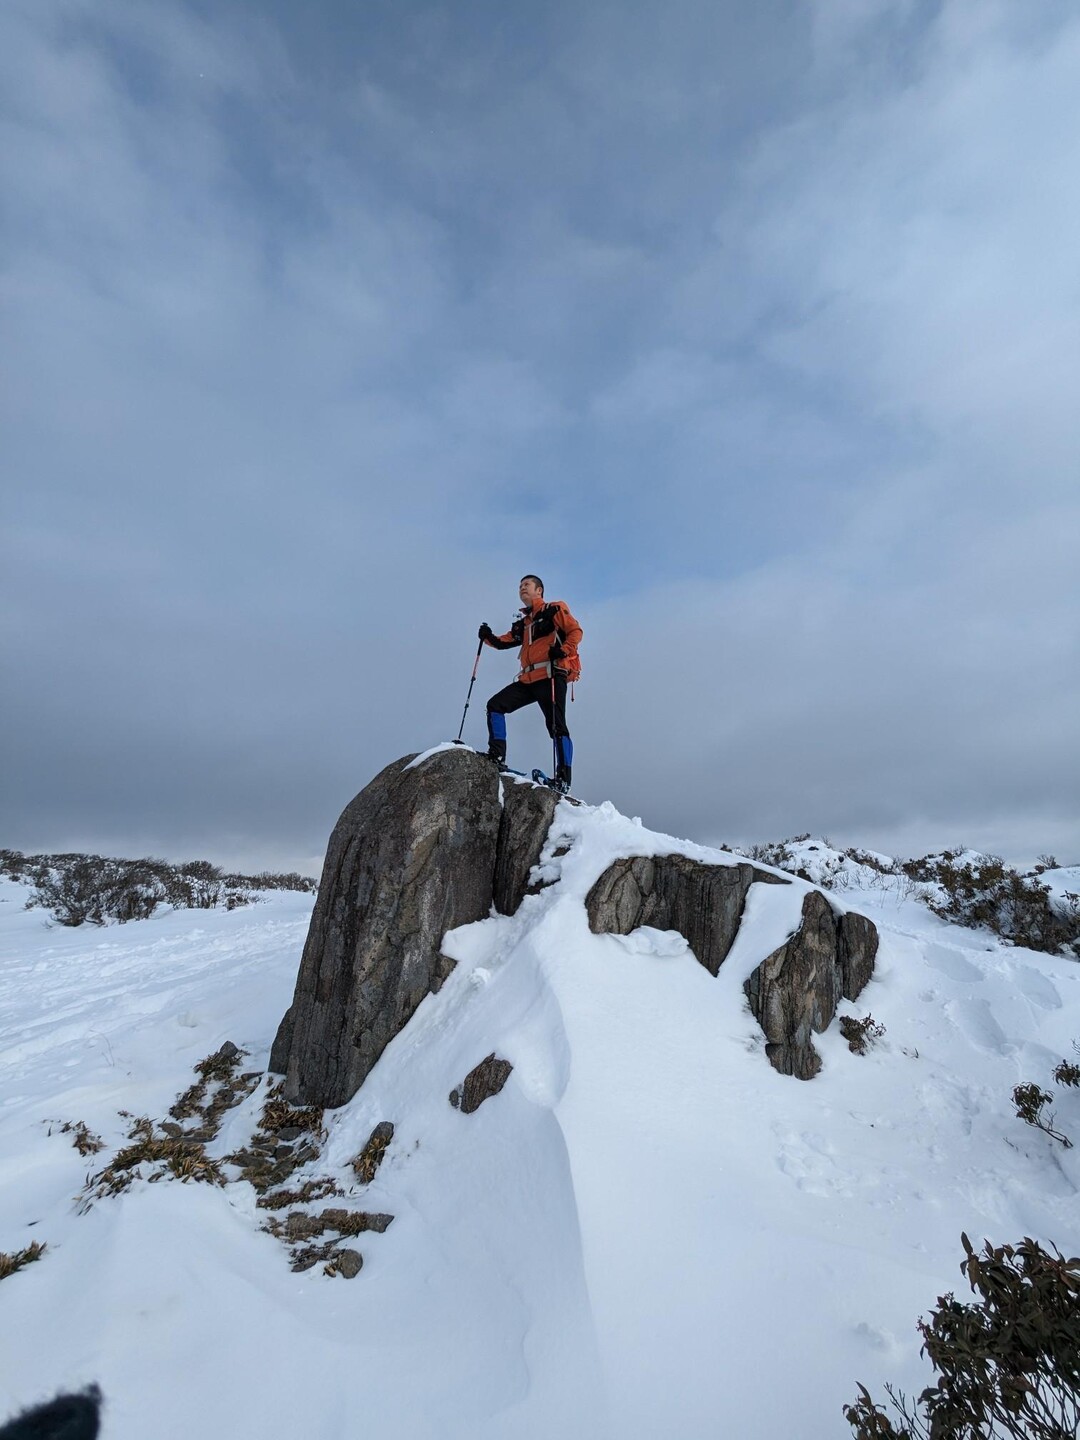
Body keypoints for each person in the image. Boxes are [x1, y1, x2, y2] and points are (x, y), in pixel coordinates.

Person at [478, 575, 582, 793]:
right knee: (495, 705)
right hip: (528, 679)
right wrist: (487, 637)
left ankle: (563, 779)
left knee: (556, 725)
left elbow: (575, 631)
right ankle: (496, 756)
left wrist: (563, 650)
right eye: (520, 586)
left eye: (526, 585)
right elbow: (503, 641)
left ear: (539, 590)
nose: (521, 588)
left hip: (551, 674)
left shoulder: (554, 609)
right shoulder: (525, 623)